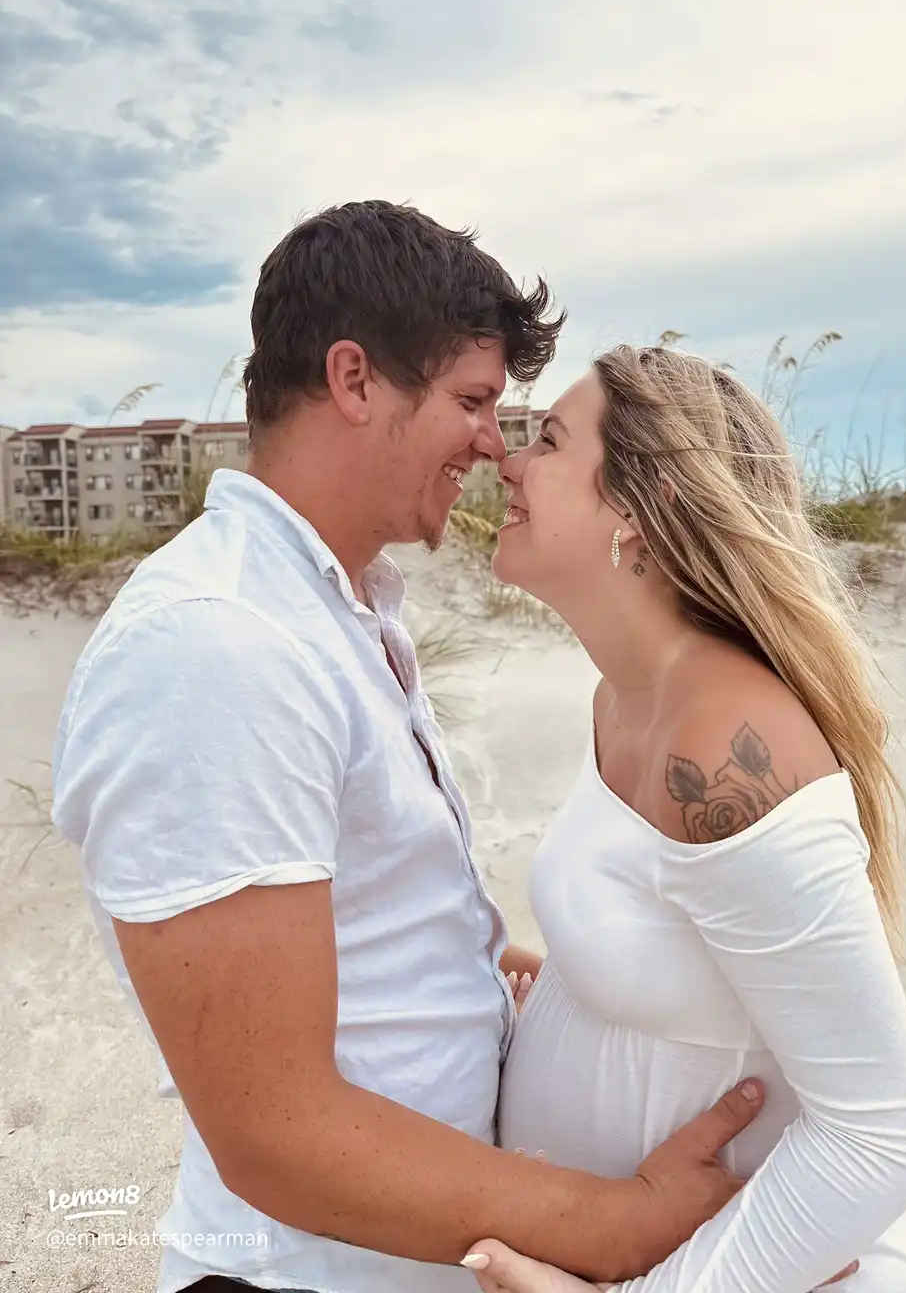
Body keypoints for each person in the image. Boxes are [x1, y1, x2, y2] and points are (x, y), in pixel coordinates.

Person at [50, 204, 775, 1293]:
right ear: (354, 382)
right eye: (473, 402)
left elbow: (356, 934)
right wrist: (614, 1226)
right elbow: (272, 1126)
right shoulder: (219, 643)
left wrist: (488, 979)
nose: (494, 442)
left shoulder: (340, 609)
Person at [461, 345, 906, 1293]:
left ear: (638, 515)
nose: (510, 461)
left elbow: (885, 1131)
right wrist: (566, 989)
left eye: (550, 442)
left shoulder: (732, 740)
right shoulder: (626, 698)